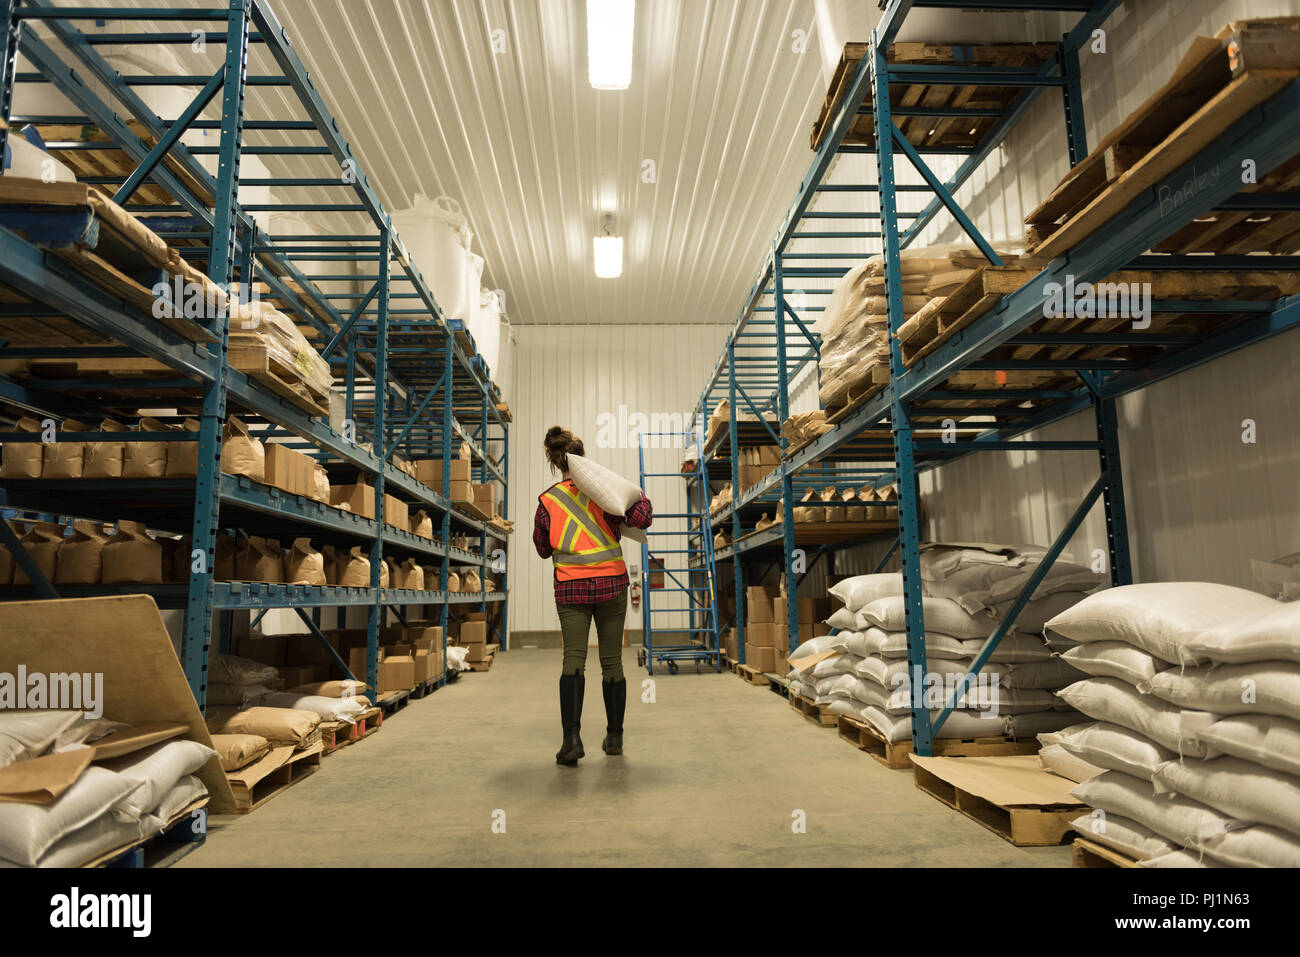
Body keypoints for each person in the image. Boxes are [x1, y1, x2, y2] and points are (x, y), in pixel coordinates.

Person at [534, 426, 652, 766]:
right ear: (583, 458)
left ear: (557, 463)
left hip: (570, 590)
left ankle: (571, 740)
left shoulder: (548, 500)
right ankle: (614, 737)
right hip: (611, 588)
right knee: (612, 662)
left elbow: (542, 549)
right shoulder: (604, 492)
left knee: (573, 660)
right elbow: (642, 516)